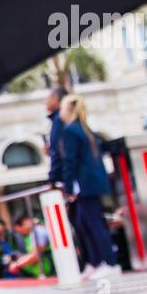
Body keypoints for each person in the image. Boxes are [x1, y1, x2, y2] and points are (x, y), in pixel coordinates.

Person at [58, 94, 121, 280]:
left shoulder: (71, 130)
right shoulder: (84, 129)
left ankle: (108, 262)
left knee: (92, 224)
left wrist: (68, 187)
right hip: (91, 183)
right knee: (87, 223)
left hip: (83, 185)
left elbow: (71, 161)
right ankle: (96, 262)